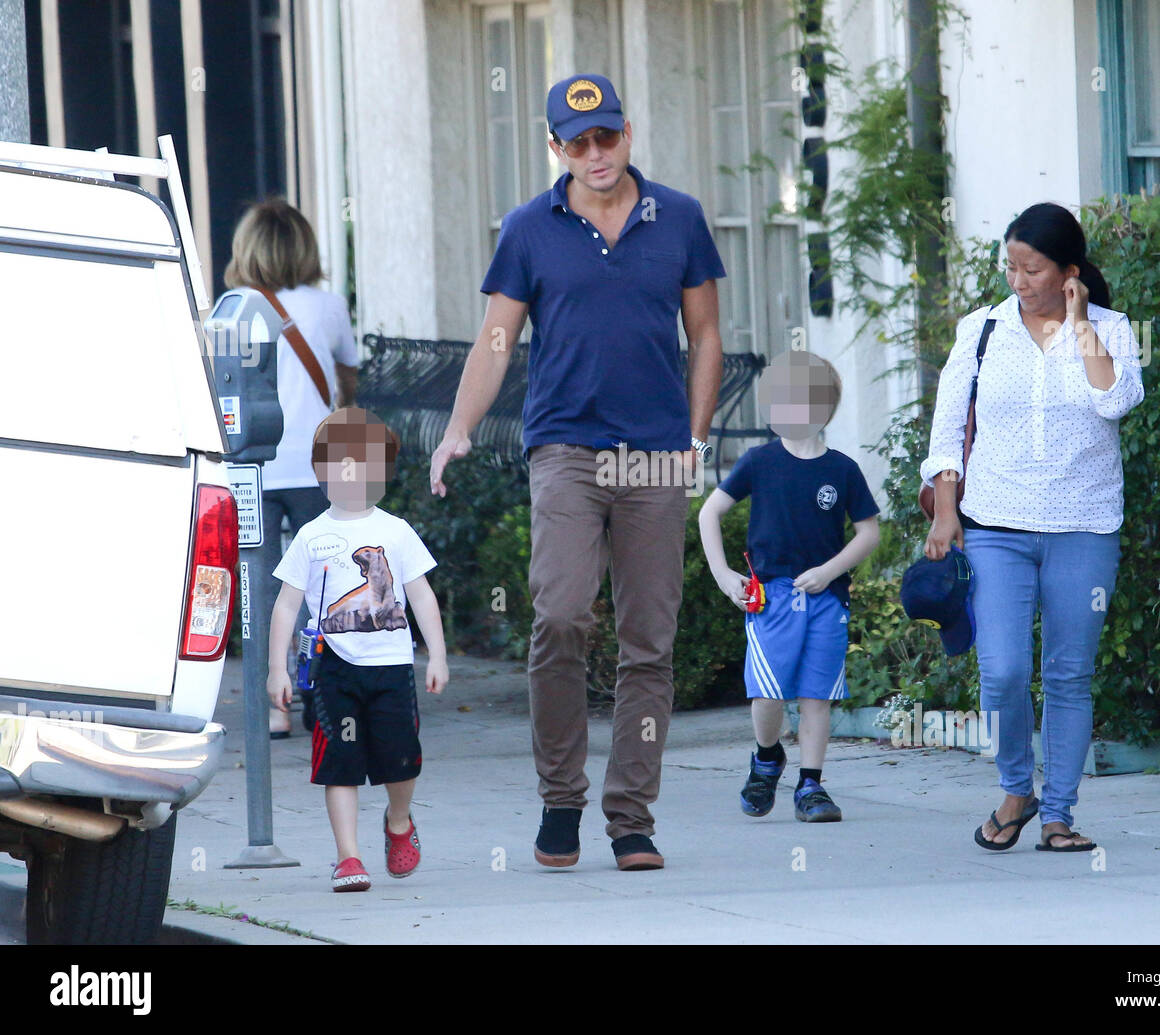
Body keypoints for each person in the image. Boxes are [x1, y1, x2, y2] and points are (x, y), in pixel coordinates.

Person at [428, 73, 725, 871]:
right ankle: (561, 796)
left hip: (657, 452)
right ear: (555, 145)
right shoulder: (531, 228)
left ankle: (632, 815)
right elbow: (495, 343)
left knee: (648, 641)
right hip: (563, 446)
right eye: (578, 141)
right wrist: (459, 427)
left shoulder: (680, 219)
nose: (597, 154)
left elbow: (705, 337)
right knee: (559, 615)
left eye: (609, 137)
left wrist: (693, 438)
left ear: (628, 134)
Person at [920, 202, 1145, 852]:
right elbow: (945, 430)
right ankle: (1016, 787)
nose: (1018, 281)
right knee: (1005, 669)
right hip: (995, 523)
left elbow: (1116, 398)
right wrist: (944, 509)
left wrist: (1078, 322)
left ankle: (1059, 815)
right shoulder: (982, 329)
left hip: (1085, 525)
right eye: (1011, 267)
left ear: (1069, 271)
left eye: (1033, 268)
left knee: (1070, 673)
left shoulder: (1112, 328)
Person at [267, 408, 450, 891]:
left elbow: (422, 595)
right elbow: (286, 606)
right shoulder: (311, 536)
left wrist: (438, 654)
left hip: (391, 668)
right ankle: (348, 858)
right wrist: (277, 670)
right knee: (339, 765)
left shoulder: (396, 530)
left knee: (402, 758)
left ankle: (398, 820)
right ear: (320, 471)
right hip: (333, 669)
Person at [698, 351, 880, 822]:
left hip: (826, 600)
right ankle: (766, 757)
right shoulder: (760, 462)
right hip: (771, 598)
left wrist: (831, 570)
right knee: (769, 694)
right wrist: (723, 575)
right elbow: (709, 512)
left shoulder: (841, 469)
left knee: (816, 696)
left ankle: (812, 786)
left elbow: (869, 532)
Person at [224, 197, 359, 738]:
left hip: (251, 467)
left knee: (261, 590)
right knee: (323, 584)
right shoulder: (328, 306)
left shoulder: (232, 305)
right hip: (316, 466)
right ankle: (325, 694)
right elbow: (347, 378)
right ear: (304, 245)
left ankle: (275, 705)